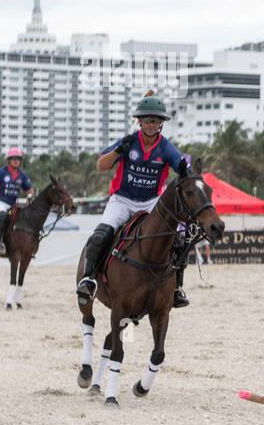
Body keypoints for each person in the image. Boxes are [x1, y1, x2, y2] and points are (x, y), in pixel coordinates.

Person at [75, 91, 193, 307]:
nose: (151, 125)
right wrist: (119, 150)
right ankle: (88, 279)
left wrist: (187, 169)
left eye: (155, 121)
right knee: (101, 235)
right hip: (122, 200)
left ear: (161, 123)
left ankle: (176, 288)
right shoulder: (128, 142)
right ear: (139, 121)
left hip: (151, 202)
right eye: (147, 120)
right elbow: (101, 165)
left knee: (178, 239)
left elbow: (184, 167)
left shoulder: (165, 147)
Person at [0, 147, 34, 258]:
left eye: (18, 159)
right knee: (2, 215)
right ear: (9, 160)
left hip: (12, 205)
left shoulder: (22, 175)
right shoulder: (1, 172)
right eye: (13, 158)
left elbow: (29, 189)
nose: (16, 160)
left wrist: (30, 196)